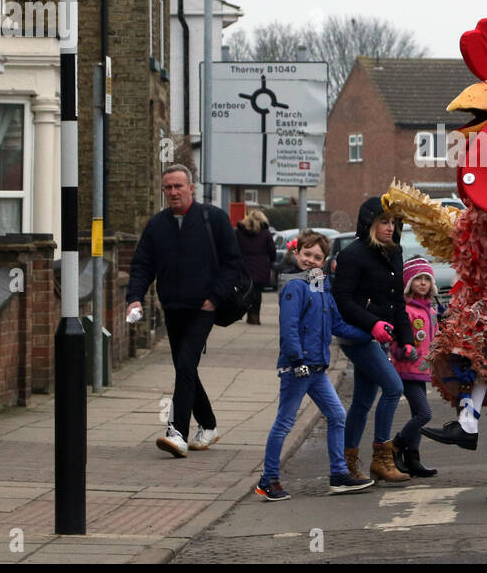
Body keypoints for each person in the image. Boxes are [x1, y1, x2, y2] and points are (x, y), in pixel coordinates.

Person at [127, 163, 242, 458]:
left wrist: (214, 298)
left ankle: (177, 433)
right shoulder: (157, 225)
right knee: (185, 367)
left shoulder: (212, 219)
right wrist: (135, 297)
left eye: (179, 186)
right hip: (173, 307)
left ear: (191, 188)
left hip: (203, 307)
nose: (174, 192)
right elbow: (142, 265)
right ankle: (209, 424)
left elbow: (233, 263)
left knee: (186, 365)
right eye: (168, 187)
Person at [255, 231, 375, 500]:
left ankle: (339, 474)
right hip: (299, 368)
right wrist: (297, 360)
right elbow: (289, 328)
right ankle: (268, 479)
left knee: (336, 416)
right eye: (306, 254)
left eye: (317, 257)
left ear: (324, 261)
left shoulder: (320, 287)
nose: (310, 260)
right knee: (285, 423)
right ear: (296, 254)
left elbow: (336, 325)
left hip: (317, 368)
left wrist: (371, 332)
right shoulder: (295, 287)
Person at [331, 197, 417, 484]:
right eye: (384, 222)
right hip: (357, 336)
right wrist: (372, 323)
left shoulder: (394, 252)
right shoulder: (352, 255)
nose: (390, 227)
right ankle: (382, 457)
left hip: (379, 336)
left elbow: (397, 302)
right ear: (370, 224)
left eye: (393, 222)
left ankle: (347, 464)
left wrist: (406, 339)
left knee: (363, 401)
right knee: (393, 388)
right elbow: (342, 300)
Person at [390, 257, 439, 478]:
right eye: (418, 278)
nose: (422, 283)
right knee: (424, 413)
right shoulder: (406, 310)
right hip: (406, 369)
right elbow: (395, 338)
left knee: (417, 413)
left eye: (426, 279)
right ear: (409, 282)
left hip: (423, 370)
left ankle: (413, 458)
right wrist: (402, 351)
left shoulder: (430, 310)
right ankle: (397, 445)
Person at [236, 207, 275, 324]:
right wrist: (270, 262)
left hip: (244, 265)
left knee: (245, 290)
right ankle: (255, 316)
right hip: (261, 266)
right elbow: (272, 250)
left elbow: (234, 249)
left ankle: (244, 312)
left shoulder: (239, 232)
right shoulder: (266, 233)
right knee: (257, 292)